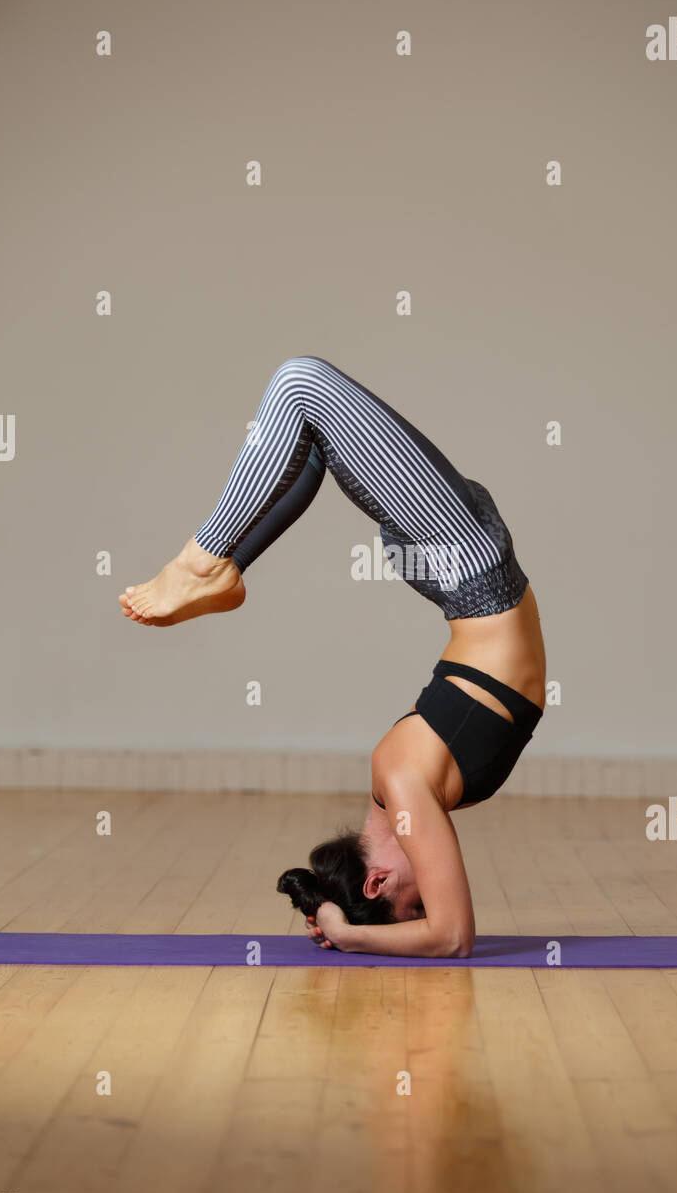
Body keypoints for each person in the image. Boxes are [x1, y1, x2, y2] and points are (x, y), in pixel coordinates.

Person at [119, 356, 546, 958]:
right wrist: (349, 926)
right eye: (420, 911)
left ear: (378, 881)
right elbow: (449, 930)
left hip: (464, 562)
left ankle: (207, 563)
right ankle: (223, 568)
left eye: (413, 903)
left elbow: (452, 938)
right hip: (464, 560)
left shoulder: (402, 781)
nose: (434, 893)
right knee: (311, 431)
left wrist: (348, 932)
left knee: (302, 384)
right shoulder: (412, 785)